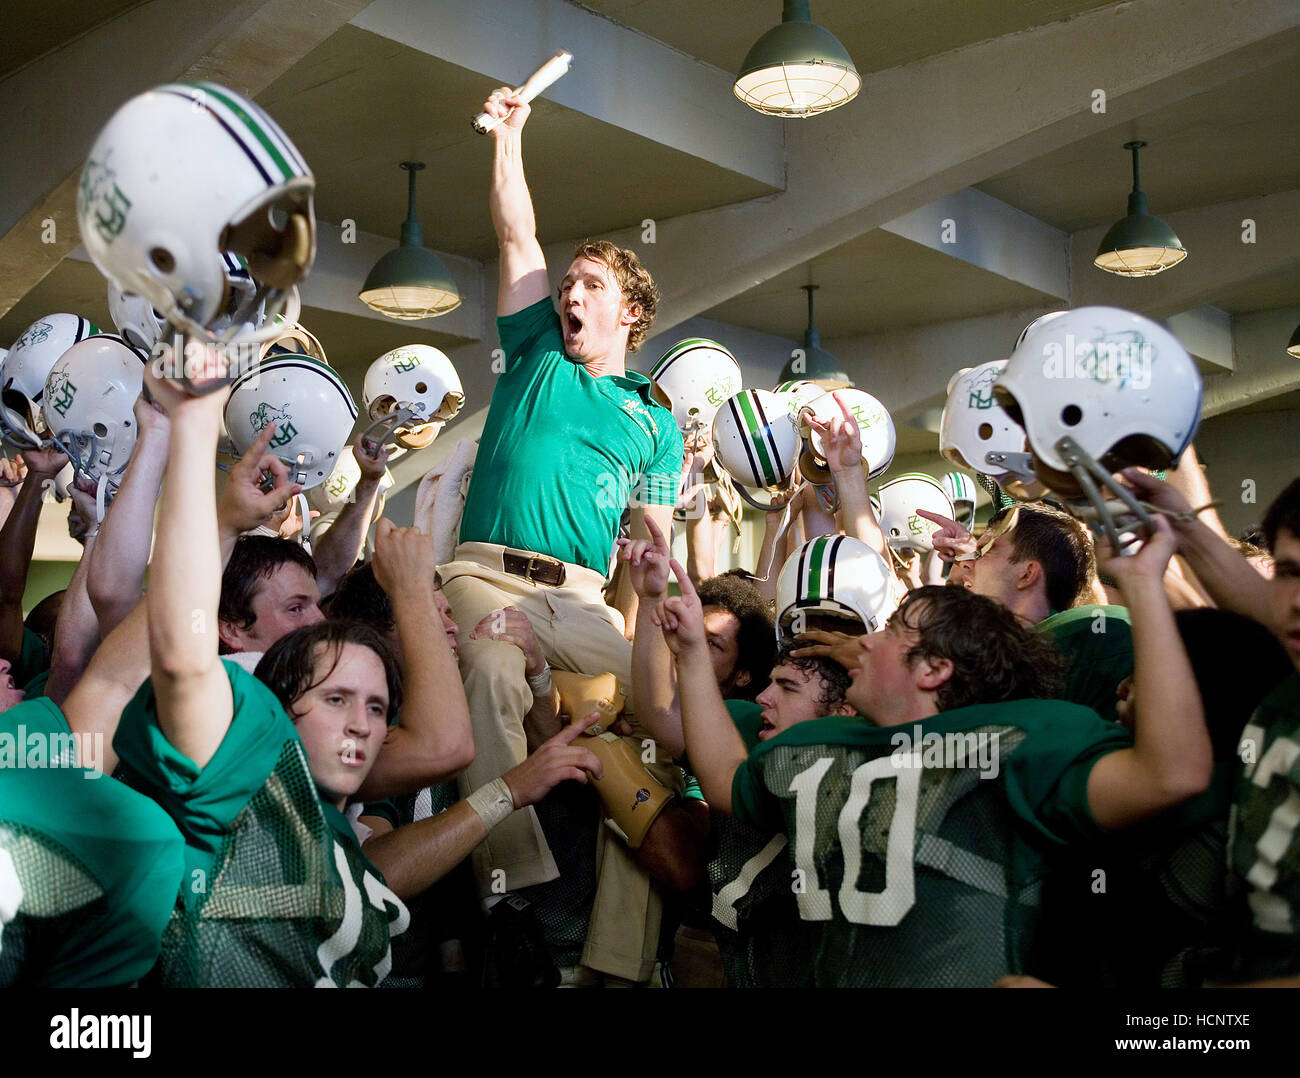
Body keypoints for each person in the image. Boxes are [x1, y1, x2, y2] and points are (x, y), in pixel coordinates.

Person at [657, 511, 1212, 986]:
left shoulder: (1025, 737)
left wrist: (1142, 583)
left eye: (895, 629)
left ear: (935, 669)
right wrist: (687, 650)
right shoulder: (821, 739)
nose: (866, 641)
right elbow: (729, 780)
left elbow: (1172, 774)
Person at [436, 85, 683, 983]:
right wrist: (510, 136)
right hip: (484, 576)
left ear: (630, 316)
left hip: (579, 600)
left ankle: (619, 958)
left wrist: (666, 616)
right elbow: (514, 237)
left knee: (655, 735)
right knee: (495, 666)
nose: (571, 293)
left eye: (592, 286)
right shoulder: (538, 349)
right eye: (569, 282)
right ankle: (512, 895)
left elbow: (657, 541)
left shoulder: (656, 420)